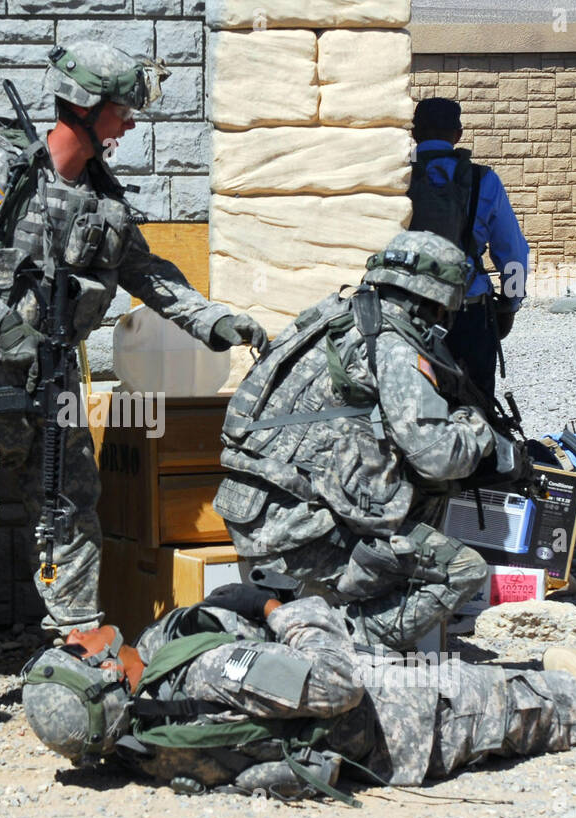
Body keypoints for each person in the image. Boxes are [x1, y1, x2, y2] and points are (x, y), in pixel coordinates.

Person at [0, 41, 267, 727]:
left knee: (72, 509)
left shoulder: (105, 200)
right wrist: (2, 328)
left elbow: (149, 276)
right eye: (123, 110)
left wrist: (216, 321)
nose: (130, 123)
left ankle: (76, 643)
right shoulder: (1, 172)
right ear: (86, 107)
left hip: (58, 382)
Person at [21, 584, 576, 798]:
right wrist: (285, 608)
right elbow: (332, 685)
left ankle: (572, 679)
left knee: (523, 681)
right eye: (72, 650)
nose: (75, 635)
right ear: (105, 672)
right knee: (540, 710)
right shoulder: (209, 677)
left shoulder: (133, 741)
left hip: (392, 708)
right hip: (418, 716)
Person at [214, 230, 524, 653]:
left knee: (410, 497)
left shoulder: (332, 315)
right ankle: (347, 640)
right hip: (296, 527)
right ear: (433, 298)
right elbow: (438, 458)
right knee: (463, 569)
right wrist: (479, 431)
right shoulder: (393, 346)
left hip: (250, 502)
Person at [408, 97, 530, 398]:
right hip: (470, 310)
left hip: (408, 310)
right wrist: (511, 303)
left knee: (412, 405)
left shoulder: (396, 178)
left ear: (414, 133)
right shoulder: (483, 179)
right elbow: (514, 254)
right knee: (477, 407)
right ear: (458, 134)